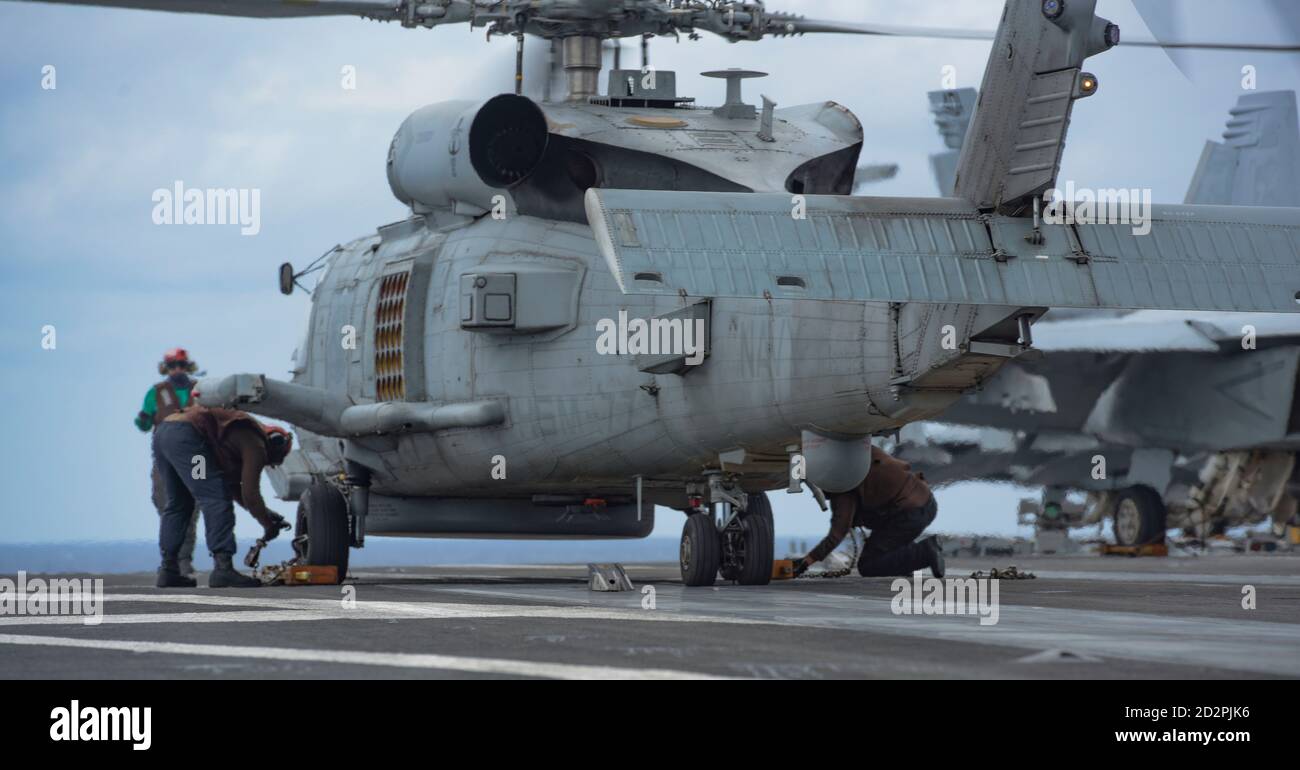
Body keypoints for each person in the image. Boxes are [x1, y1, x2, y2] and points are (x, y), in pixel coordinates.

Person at [153, 402, 293, 588]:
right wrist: (268, 525)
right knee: (215, 500)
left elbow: (236, 490)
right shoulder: (256, 444)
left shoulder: (236, 435)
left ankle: (168, 571)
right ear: (276, 444)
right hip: (186, 438)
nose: (271, 465)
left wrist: (266, 513)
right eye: (275, 460)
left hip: (164, 435)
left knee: (180, 503)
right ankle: (223, 569)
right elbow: (250, 493)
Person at [795, 446, 945, 578]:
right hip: (926, 502)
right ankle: (904, 563)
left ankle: (924, 552)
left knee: (869, 565)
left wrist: (806, 561)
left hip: (910, 514)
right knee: (885, 546)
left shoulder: (842, 485)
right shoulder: (859, 451)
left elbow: (837, 534)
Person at [134, 348, 201, 577]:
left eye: (181, 365)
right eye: (173, 366)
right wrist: (143, 419)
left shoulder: (200, 390)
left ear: (187, 366)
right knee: (166, 505)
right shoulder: (156, 394)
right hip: (166, 460)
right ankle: (171, 560)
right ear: (166, 368)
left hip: (198, 458)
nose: (177, 370)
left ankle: (184, 560)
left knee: (195, 507)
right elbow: (143, 425)